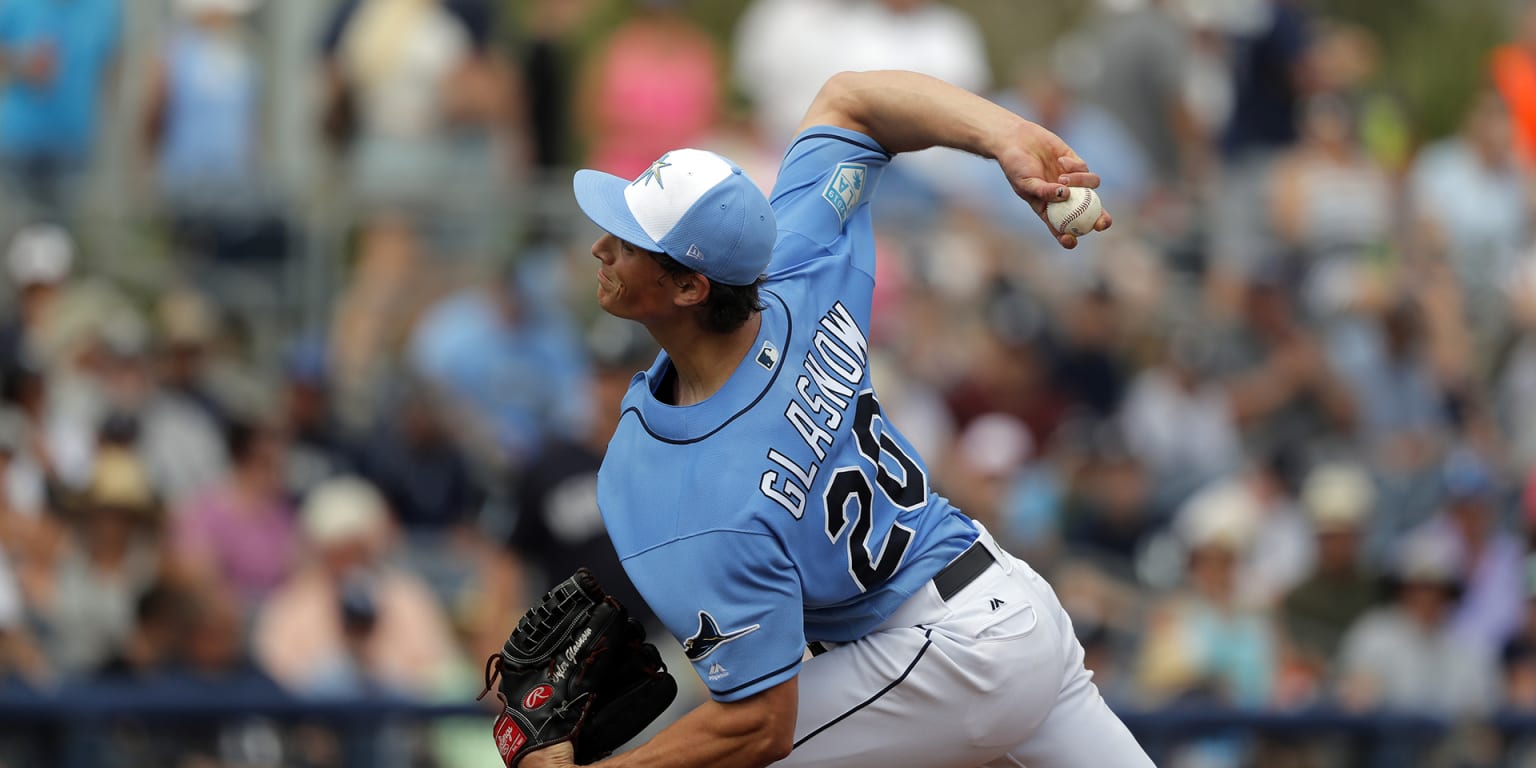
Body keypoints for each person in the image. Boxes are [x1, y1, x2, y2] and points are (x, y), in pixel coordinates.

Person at [526, 69, 1148, 767]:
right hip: (1005, 606)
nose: (600, 248)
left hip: (943, 653)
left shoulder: (664, 480)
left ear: (690, 285)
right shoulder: (797, 268)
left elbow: (759, 725)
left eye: (629, 241)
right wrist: (1006, 136)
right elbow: (853, 102)